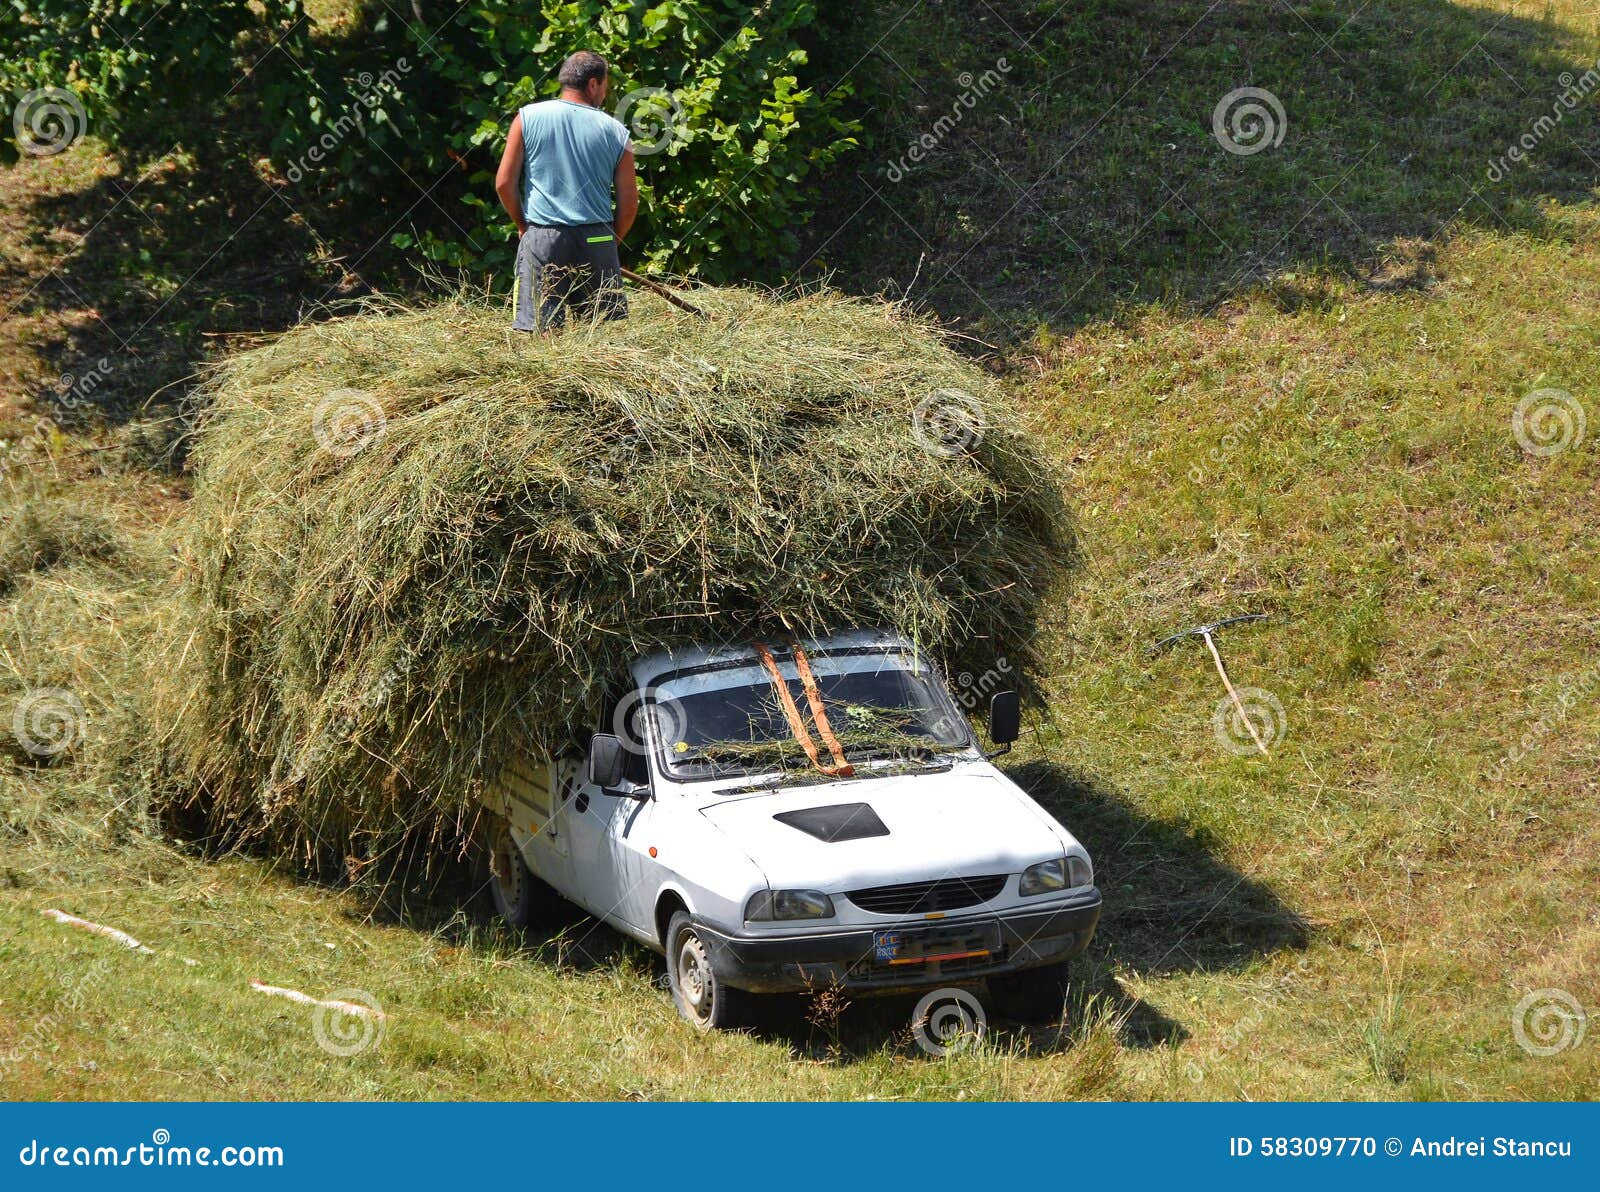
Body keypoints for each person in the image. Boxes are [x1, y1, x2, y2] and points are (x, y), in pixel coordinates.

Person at [495, 51, 639, 332]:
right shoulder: (617, 132)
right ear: (594, 84)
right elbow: (630, 203)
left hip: (544, 238)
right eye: (606, 85)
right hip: (597, 236)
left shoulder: (527, 118)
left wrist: (523, 225)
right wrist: (609, 241)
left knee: (543, 335)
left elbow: (503, 183)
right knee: (602, 335)